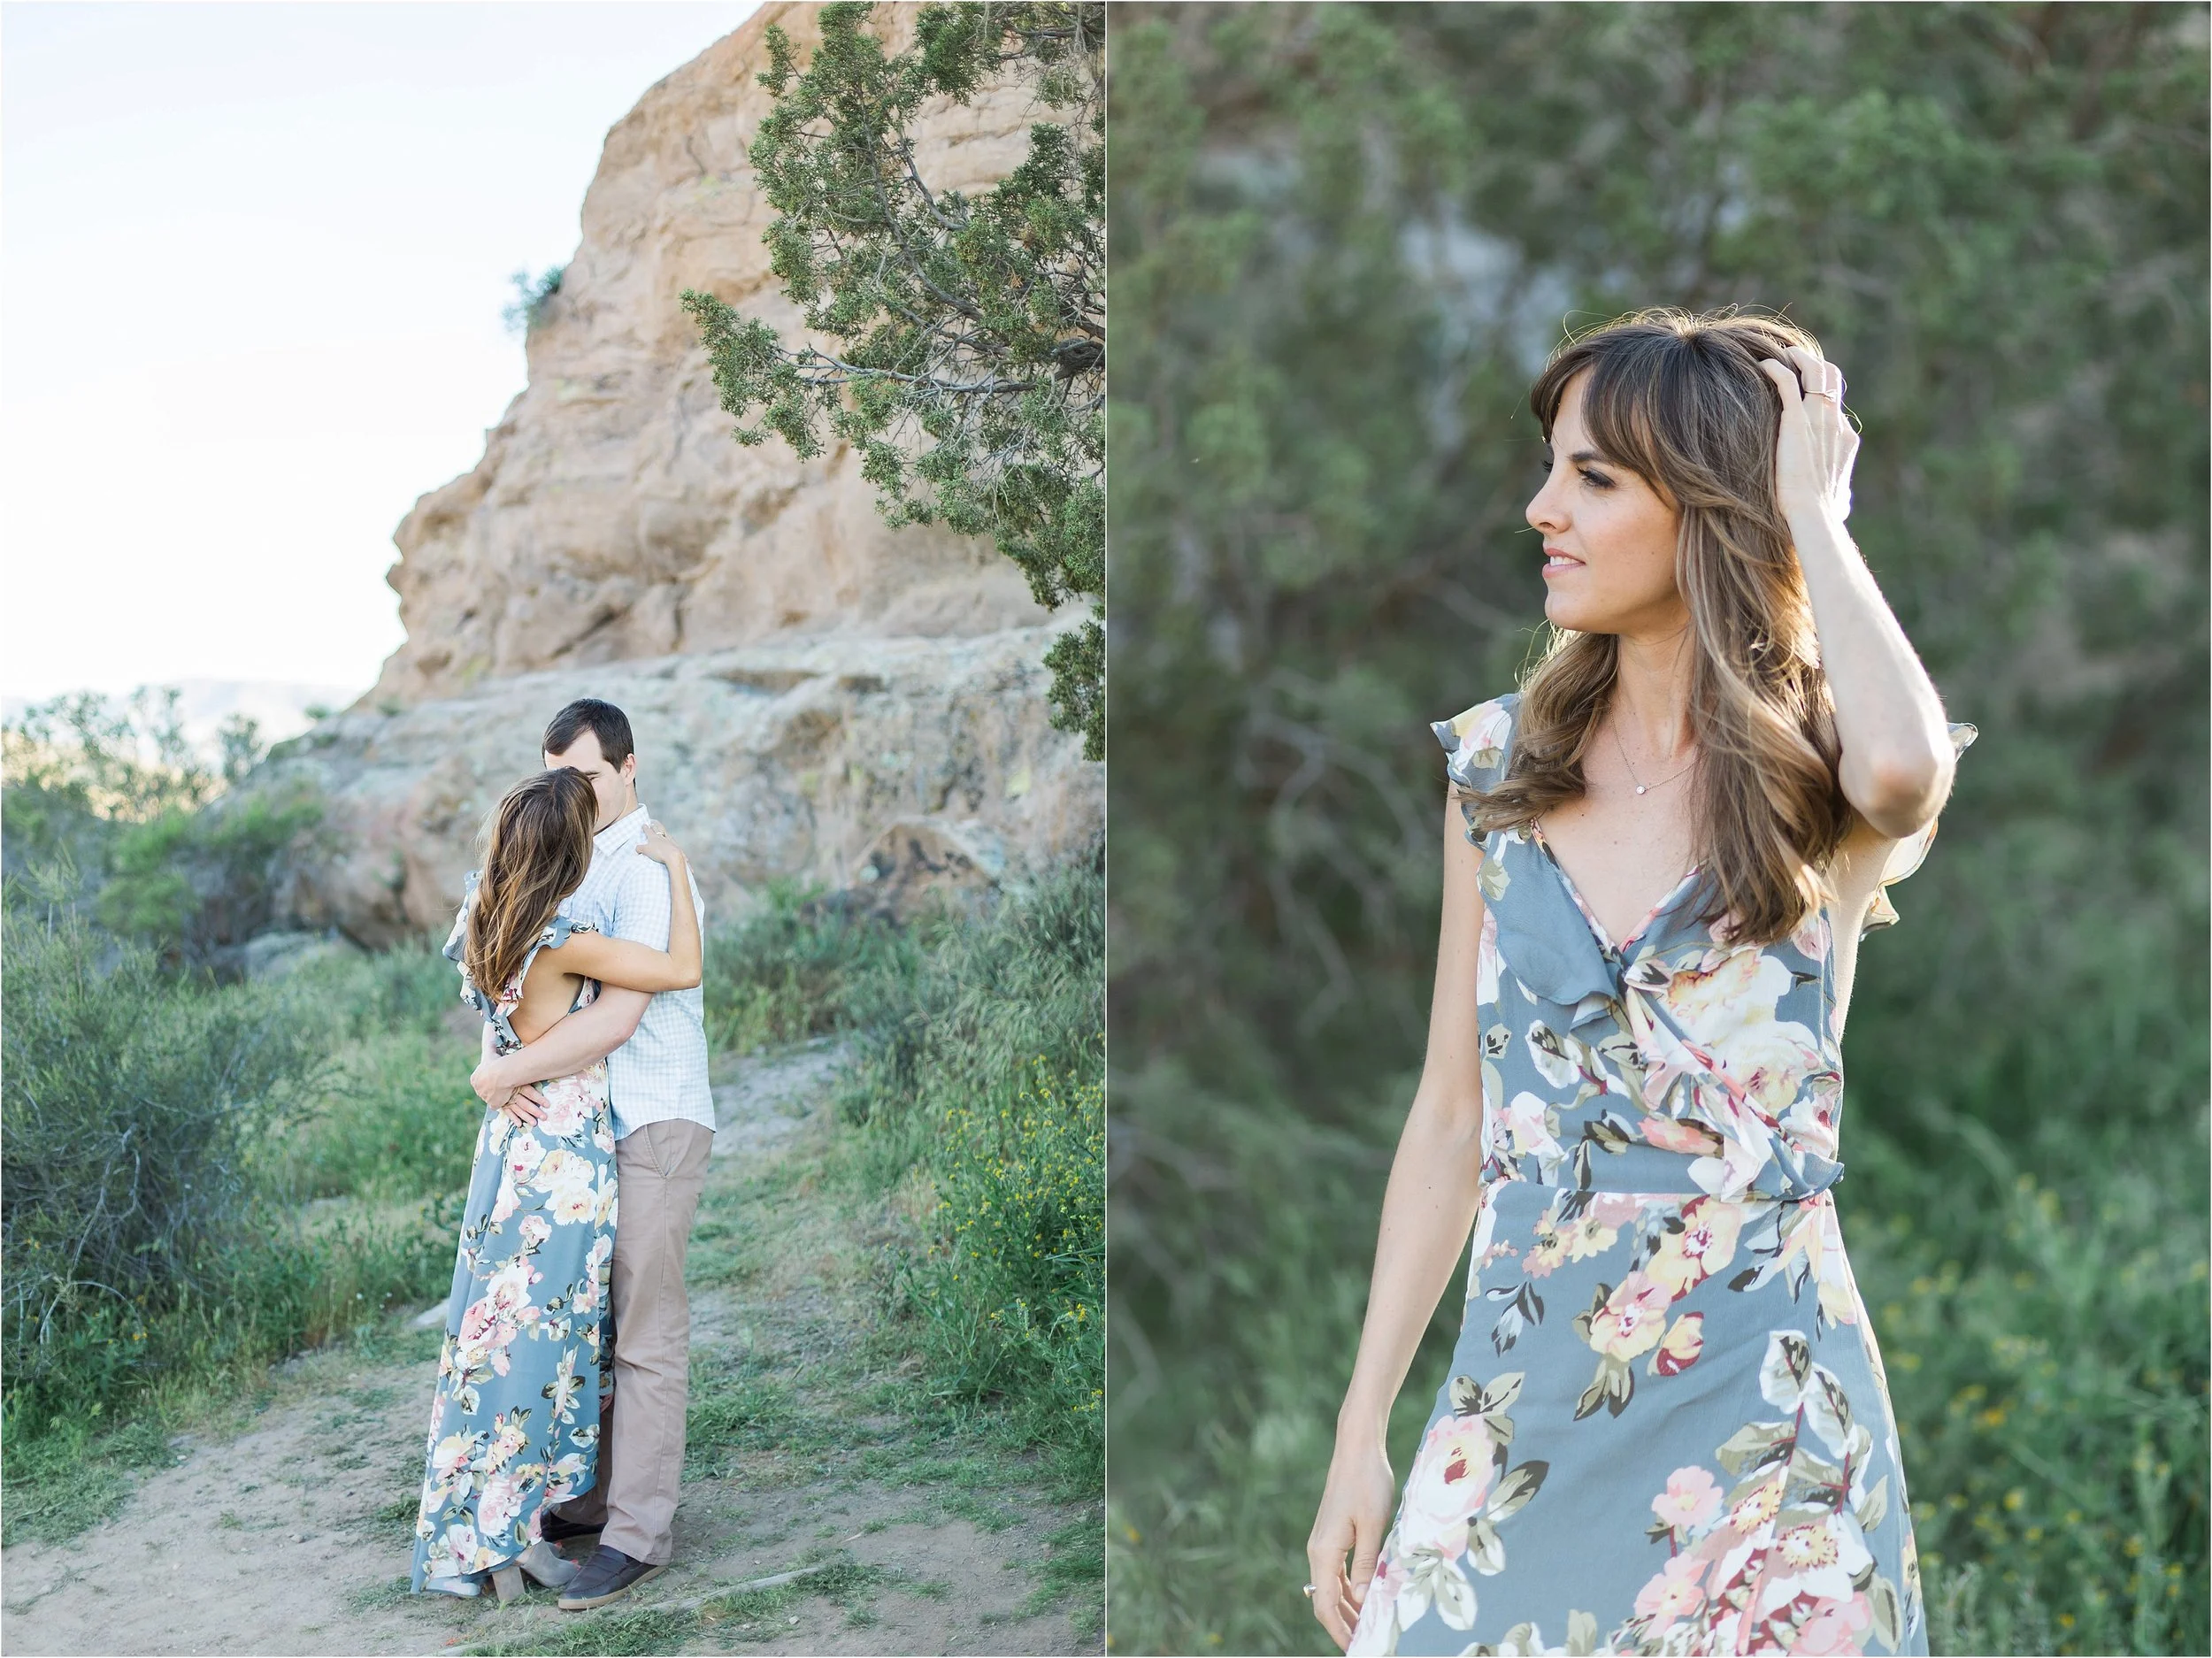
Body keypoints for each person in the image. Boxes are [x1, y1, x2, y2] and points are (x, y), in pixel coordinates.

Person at [1305, 309, 1975, 1656]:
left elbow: (1907, 770)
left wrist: (1816, 513)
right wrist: (1361, 1431)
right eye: (1554, 468)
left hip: (1773, 1417)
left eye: (1593, 478)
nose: (1542, 508)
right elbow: (1452, 1117)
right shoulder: (1496, 774)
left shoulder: (1816, 784)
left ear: (1707, 508)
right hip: (1520, 1401)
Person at [410, 765, 702, 1601]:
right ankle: (495, 1535)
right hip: (562, 1164)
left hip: (510, 1150)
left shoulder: (486, 925)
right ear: (569, 851)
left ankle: (501, 1532)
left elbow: (496, 1033)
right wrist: (677, 870)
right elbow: (680, 969)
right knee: (539, 1347)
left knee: (491, 1341)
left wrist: (494, 1070)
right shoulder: (561, 939)